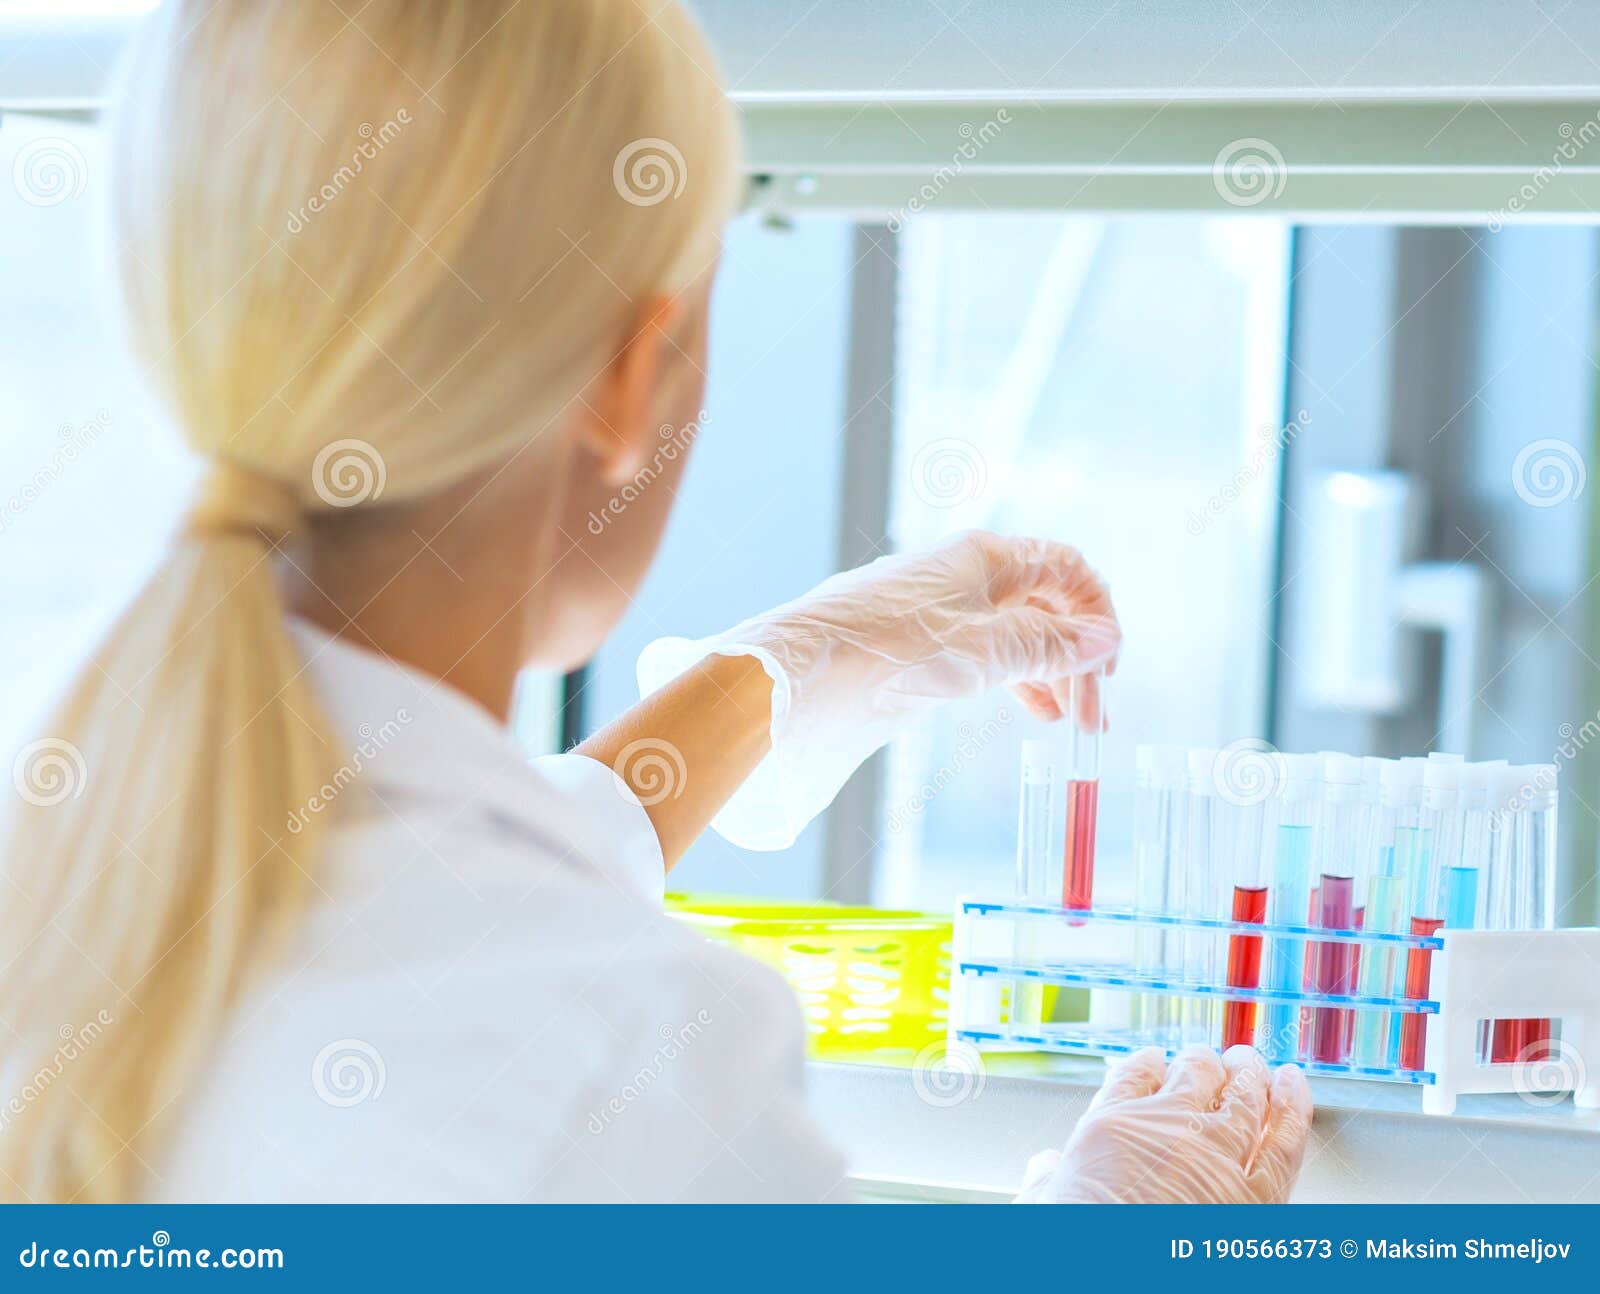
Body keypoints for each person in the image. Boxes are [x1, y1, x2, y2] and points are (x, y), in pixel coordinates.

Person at [0, 0, 1311, 1203]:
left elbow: (382, 882)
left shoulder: (87, 828)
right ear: (631, 382)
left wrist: (772, 678)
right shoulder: (635, 1056)